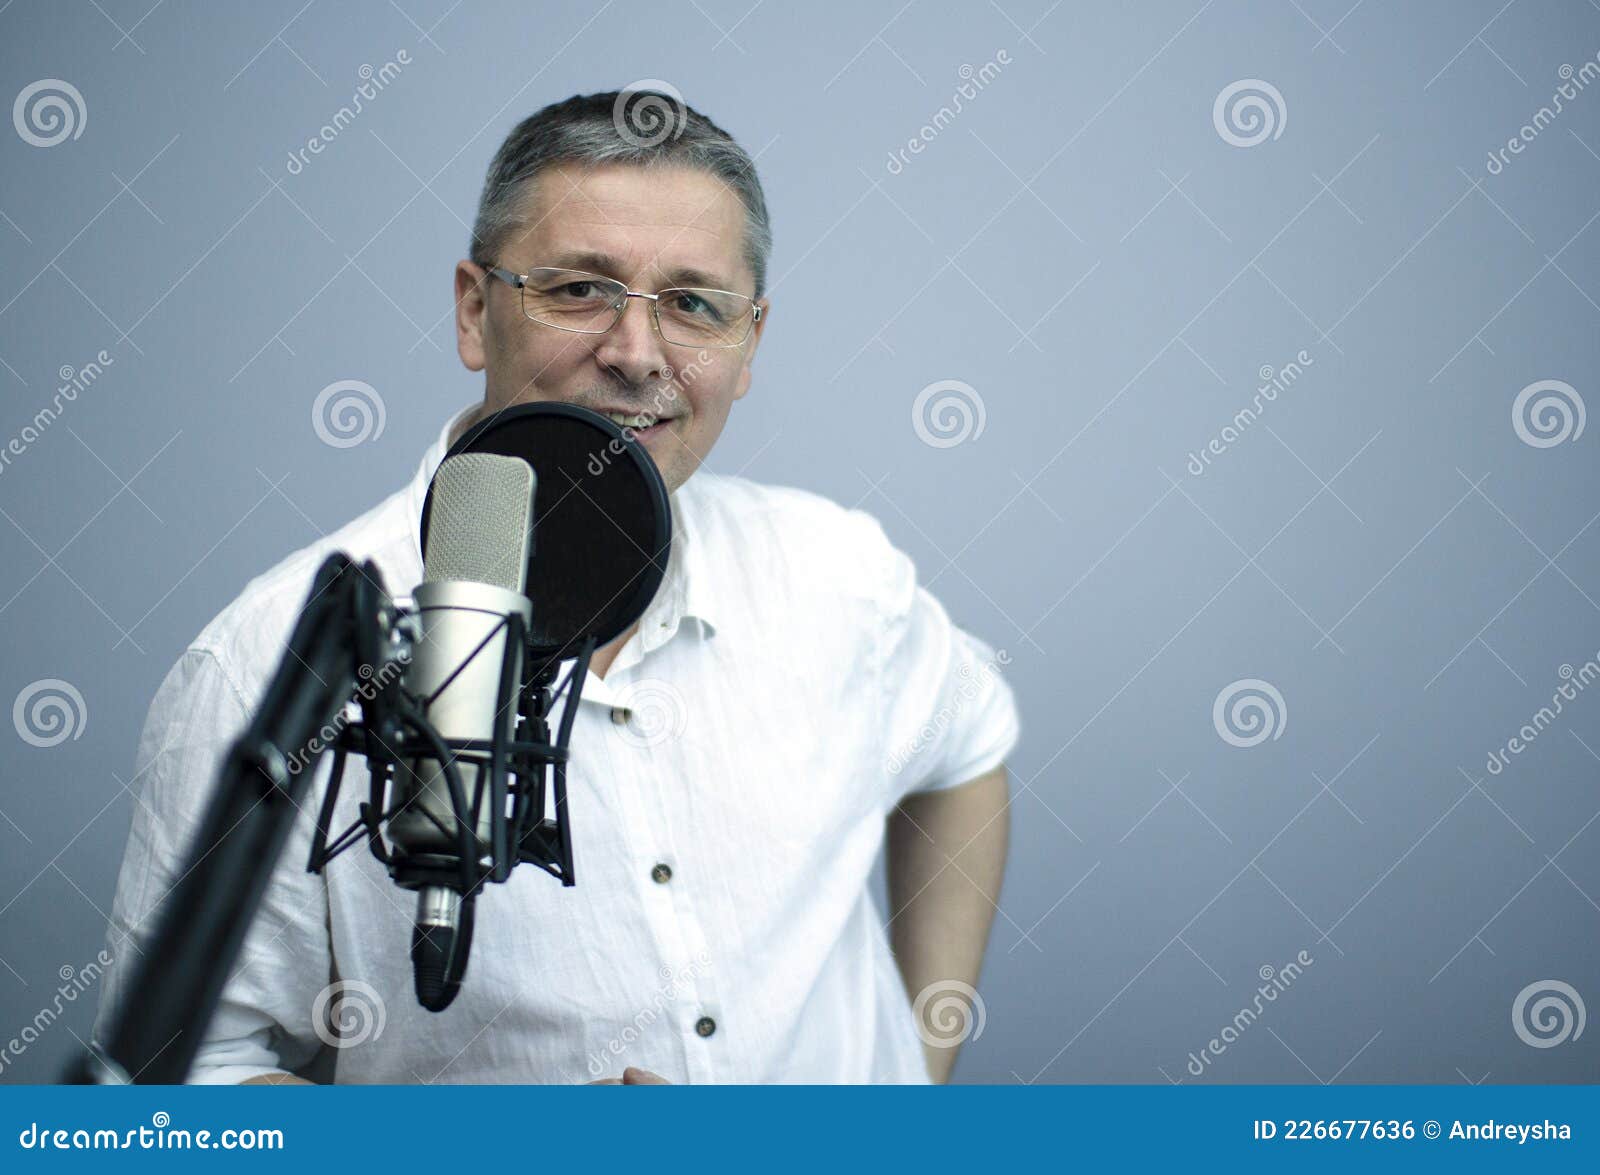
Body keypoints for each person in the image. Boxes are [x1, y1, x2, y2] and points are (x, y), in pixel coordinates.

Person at [92, 89, 1019, 1085]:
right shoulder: (268, 666)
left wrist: (915, 1080)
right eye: (579, 289)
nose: (635, 353)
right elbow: (185, 1085)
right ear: (473, 311)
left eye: (694, 305)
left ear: (749, 343)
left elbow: (968, 749)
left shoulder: (838, 571)